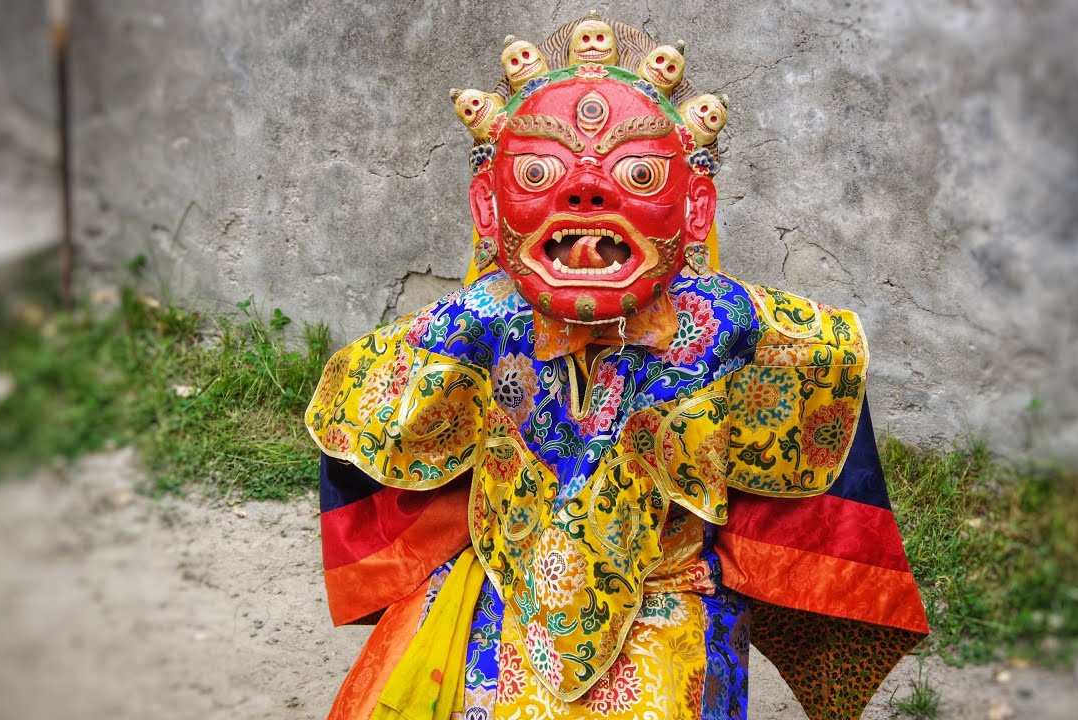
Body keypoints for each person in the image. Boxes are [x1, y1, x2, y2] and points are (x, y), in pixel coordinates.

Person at [305, 14, 927, 719]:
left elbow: (829, 370)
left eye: (637, 172)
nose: (586, 190)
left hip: (670, 601)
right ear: (490, 202)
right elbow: (360, 410)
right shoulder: (481, 320)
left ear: (695, 207)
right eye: (539, 171)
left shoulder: (726, 324)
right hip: (511, 597)